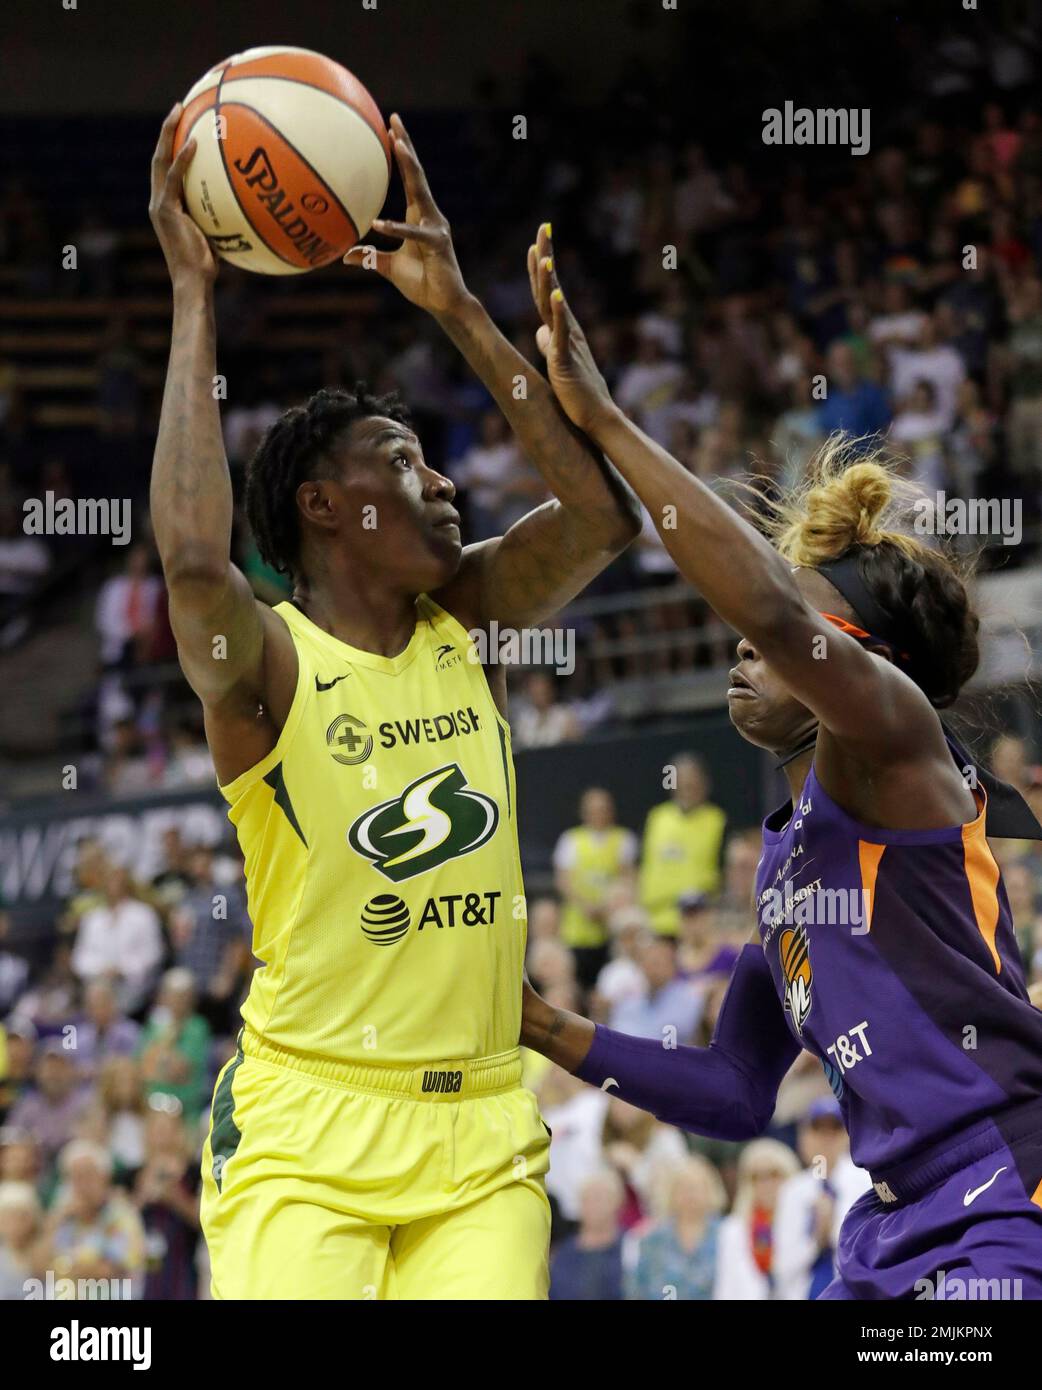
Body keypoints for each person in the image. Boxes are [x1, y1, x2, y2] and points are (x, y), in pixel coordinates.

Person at [148, 105, 639, 1301]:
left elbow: (602, 519)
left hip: (479, 1133)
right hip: (307, 1131)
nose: (444, 479)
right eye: (403, 462)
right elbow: (196, 567)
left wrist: (459, 308)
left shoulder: (462, 620)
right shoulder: (264, 672)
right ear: (324, 507)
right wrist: (195, 297)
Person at [520, 258, 1042, 1299]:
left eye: (795, 636)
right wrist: (531, 1020)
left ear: (856, 655)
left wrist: (611, 425)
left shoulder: (903, 745)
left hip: (1002, 1200)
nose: (747, 651)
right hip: (888, 1226)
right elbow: (730, 1090)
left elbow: (766, 610)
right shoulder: (783, 865)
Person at [772, 1097, 872, 1300]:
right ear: (804, 1137)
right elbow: (782, 1267)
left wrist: (832, 1230)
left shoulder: (866, 1183)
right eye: (818, 1130)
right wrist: (815, 1241)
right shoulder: (793, 1191)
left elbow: (870, 1251)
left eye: (834, 1130)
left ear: (847, 1136)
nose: (826, 1138)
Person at [553, 787, 638, 989]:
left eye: (603, 809)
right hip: (578, 930)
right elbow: (563, 881)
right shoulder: (571, 839)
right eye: (593, 809)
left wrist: (606, 907)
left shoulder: (623, 839)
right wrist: (587, 906)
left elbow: (628, 878)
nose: (598, 814)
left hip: (612, 929)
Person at [639, 754, 726, 935]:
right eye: (682, 781)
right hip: (655, 920)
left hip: (697, 918)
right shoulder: (657, 817)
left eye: (692, 781)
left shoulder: (716, 820)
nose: (687, 787)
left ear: (704, 784)